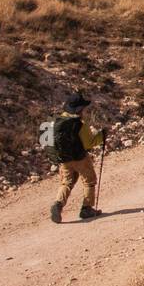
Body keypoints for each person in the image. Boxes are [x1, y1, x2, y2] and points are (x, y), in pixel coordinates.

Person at [48, 91, 107, 223]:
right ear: (80, 109)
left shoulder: (57, 120)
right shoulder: (79, 123)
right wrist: (102, 135)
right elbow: (89, 143)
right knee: (89, 181)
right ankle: (86, 209)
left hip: (63, 159)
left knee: (66, 183)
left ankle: (58, 204)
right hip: (80, 158)